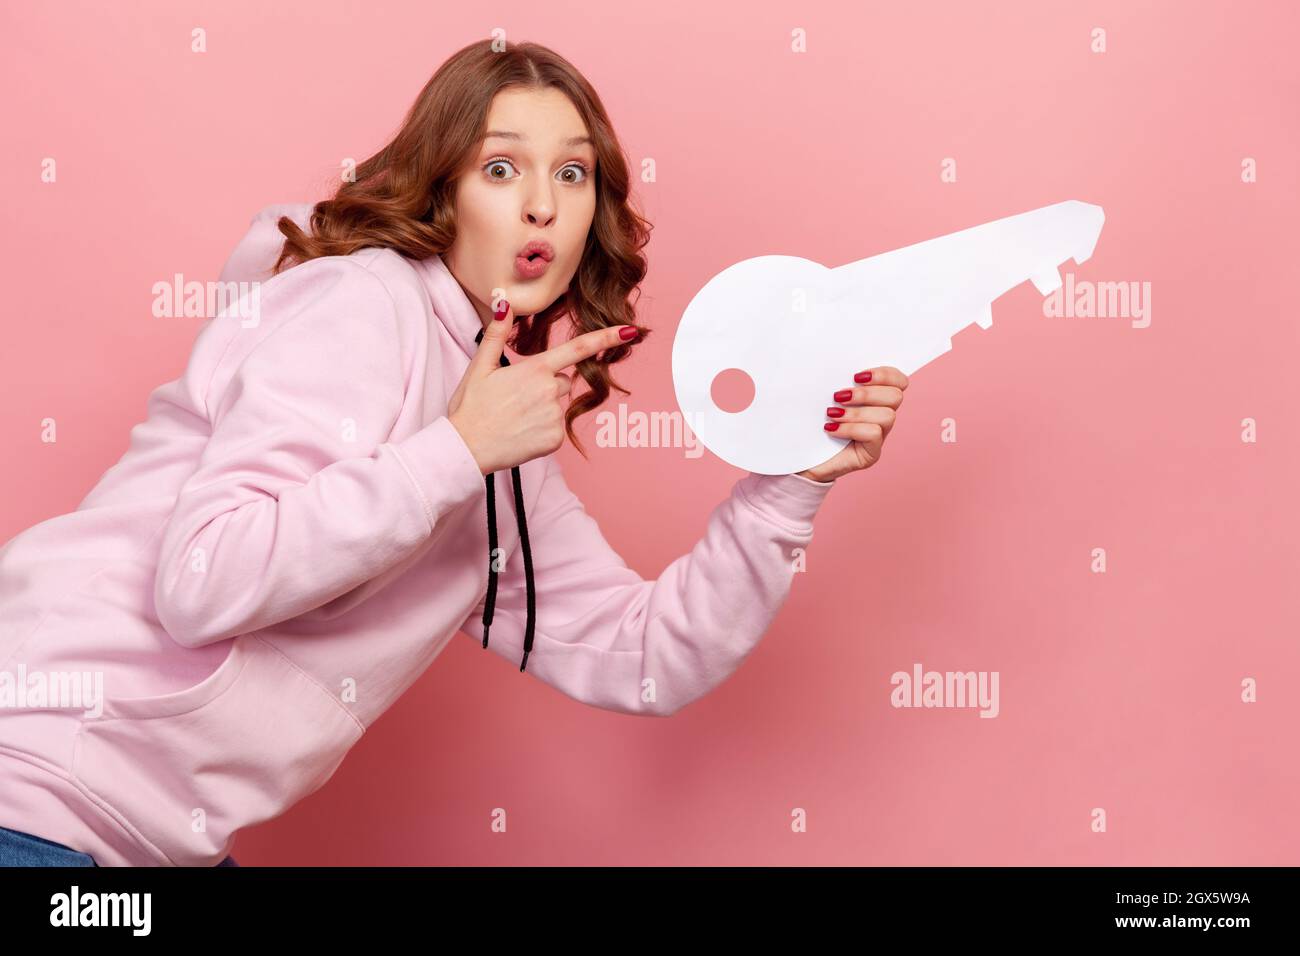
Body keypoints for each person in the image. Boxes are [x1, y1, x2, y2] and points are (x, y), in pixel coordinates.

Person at [0, 39, 908, 867]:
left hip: (147, 839)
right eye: (503, 167)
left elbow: (646, 656)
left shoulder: (500, 458)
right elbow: (203, 580)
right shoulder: (361, 304)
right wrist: (454, 452)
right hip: (34, 785)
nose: (543, 203)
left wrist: (790, 484)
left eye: (574, 173)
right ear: (445, 189)